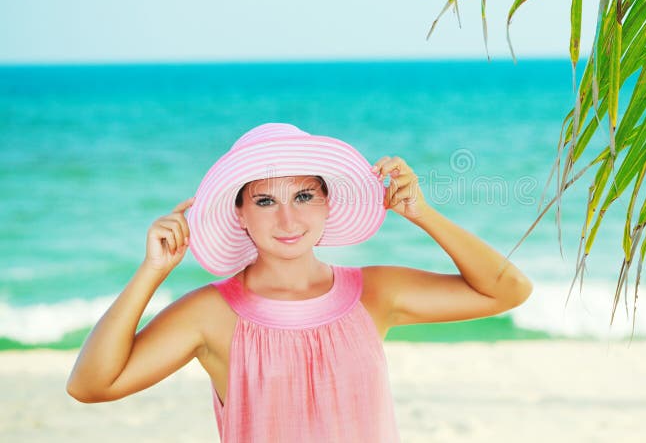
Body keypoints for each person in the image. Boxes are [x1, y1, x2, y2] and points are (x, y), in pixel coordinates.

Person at [67, 122, 533, 442]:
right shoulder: (210, 315)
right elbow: (90, 385)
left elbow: (508, 289)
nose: (288, 218)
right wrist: (151, 272)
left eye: (304, 195)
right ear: (240, 214)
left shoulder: (373, 294)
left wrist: (423, 214)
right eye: (266, 201)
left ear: (328, 202)